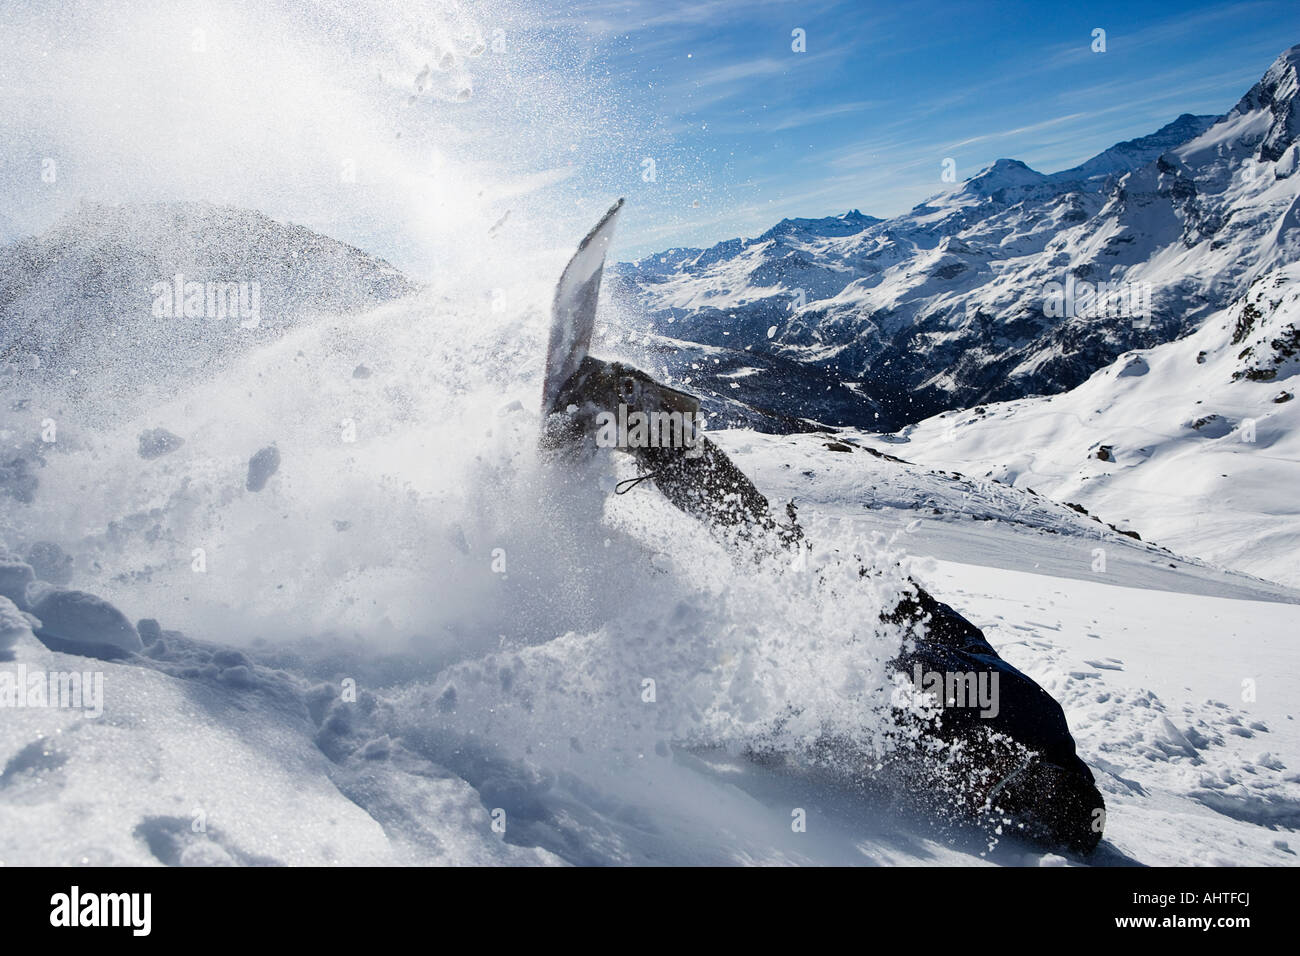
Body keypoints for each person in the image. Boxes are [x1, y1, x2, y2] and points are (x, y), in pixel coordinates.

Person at [544, 354, 1106, 854]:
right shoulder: (1029, 720)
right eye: (1011, 780)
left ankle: (593, 551)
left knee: (732, 587)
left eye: (1005, 799)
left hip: (874, 633)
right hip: (881, 614)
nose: (990, 784)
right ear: (1038, 770)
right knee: (754, 539)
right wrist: (810, 690)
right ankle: (635, 407)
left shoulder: (981, 788)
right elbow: (910, 669)